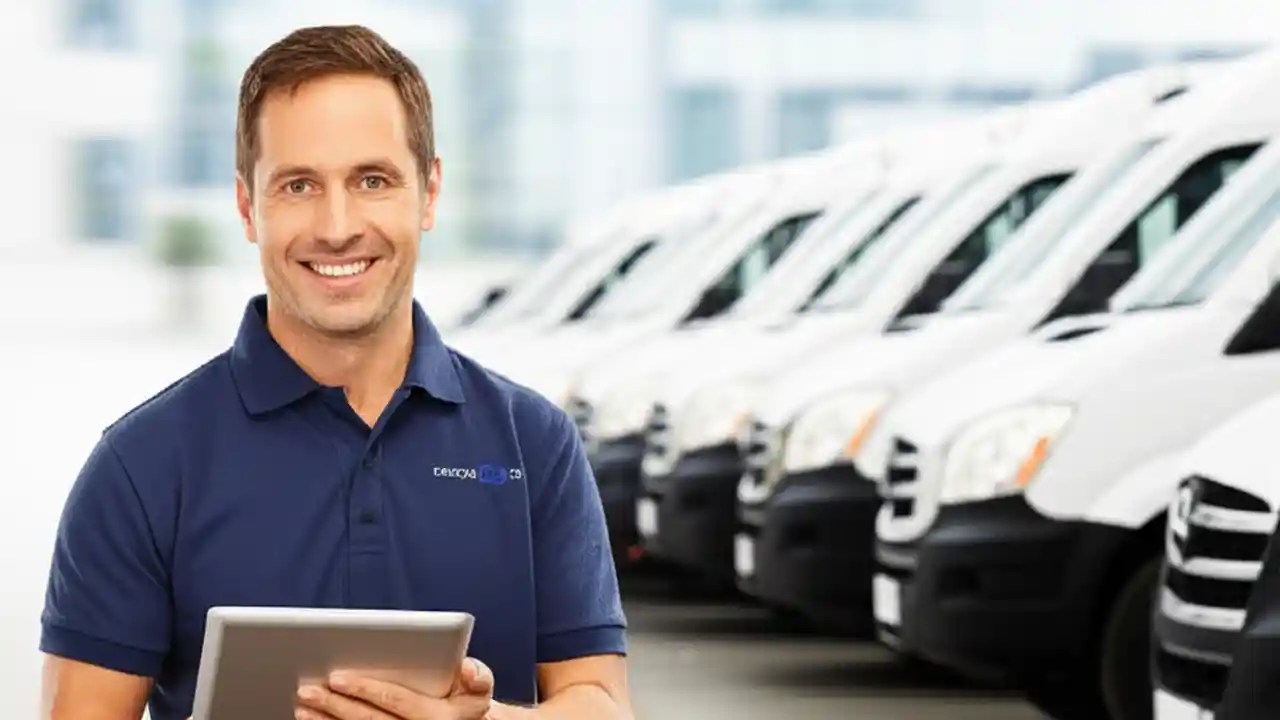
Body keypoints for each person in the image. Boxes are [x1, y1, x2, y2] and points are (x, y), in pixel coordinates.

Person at [38, 24, 632, 720]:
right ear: (247, 207)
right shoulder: (141, 465)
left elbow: (602, 702)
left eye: (372, 180)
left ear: (429, 192)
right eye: (298, 185)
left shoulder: (533, 442)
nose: (338, 225)